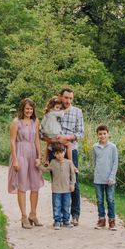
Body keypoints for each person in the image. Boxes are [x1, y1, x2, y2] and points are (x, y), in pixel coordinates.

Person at [41, 87, 84, 226]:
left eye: (71, 98)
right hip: (55, 150)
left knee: (73, 182)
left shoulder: (77, 112)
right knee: (57, 184)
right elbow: (41, 134)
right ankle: (58, 217)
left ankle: (75, 214)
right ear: (60, 97)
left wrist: (67, 137)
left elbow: (80, 133)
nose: (68, 101)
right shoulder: (52, 111)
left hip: (71, 148)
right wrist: (53, 140)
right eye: (66, 98)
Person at [7, 97, 44, 229]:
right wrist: (15, 159)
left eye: (31, 108)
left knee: (35, 185)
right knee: (22, 185)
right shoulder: (16, 122)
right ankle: (23, 217)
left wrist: (40, 156)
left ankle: (33, 214)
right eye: (27, 108)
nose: (29, 110)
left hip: (33, 153)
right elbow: (12, 141)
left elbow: (37, 140)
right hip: (21, 153)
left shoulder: (36, 121)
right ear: (22, 109)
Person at [41, 144, 76, 229]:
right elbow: (46, 170)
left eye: (61, 153)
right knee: (56, 205)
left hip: (67, 188)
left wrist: (72, 184)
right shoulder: (53, 162)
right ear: (54, 154)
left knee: (66, 205)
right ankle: (57, 221)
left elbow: (73, 174)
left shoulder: (69, 162)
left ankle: (66, 221)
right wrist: (39, 166)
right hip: (56, 189)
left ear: (64, 152)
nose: (59, 155)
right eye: (57, 153)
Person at [92, 124, 119, 230]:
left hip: (110, 179)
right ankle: (101, 220)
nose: (102, 136)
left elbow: (115, 163)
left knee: (110, 199)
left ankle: (112, 221)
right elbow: (94, 163)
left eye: (104, 134)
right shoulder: (95, 147)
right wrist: (97, 174)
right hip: (98, 179)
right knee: (99, 200)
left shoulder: (112, 147)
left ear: (108, 134)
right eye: (100, 134)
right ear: (97, 135)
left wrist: (112, 177)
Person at [39, 96, 65, 164]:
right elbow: (62, 114)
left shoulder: (47, 113)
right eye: (57, 107)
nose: (58, 109)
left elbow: (42, 123)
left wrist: (43, 131)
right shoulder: (53, 112)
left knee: (49, 144)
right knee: (67, 145)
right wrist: (65, 110)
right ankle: (67, 160)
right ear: (51, 106)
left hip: (48, 132)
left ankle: (46, 160)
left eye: (59, 108)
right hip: (54, 132)